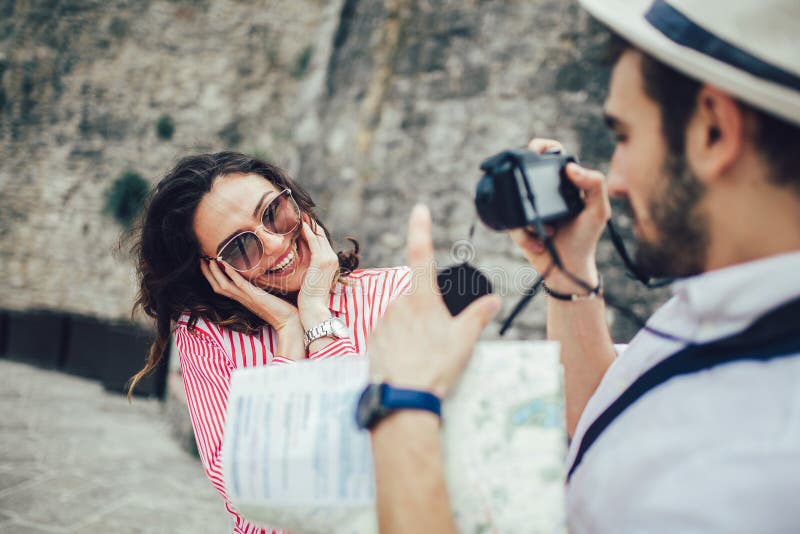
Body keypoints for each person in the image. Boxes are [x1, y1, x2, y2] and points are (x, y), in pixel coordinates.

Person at [363, 0, 800, 532]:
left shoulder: (753, 481)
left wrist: (402, 404)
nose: (612, 178)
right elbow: (607, 414)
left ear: (713, 130)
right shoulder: (738, 295)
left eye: (623, 136)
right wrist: (568, 265)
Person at [128, 152, 411, 534]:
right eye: (241, 248)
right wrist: (288, 338)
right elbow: (248, 489)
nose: (275, 244)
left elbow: (384, 459)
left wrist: (315, 314)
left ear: (290, 196)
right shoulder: (207, 338)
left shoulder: (398, 292)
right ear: (214, 268)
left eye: (273, 212)